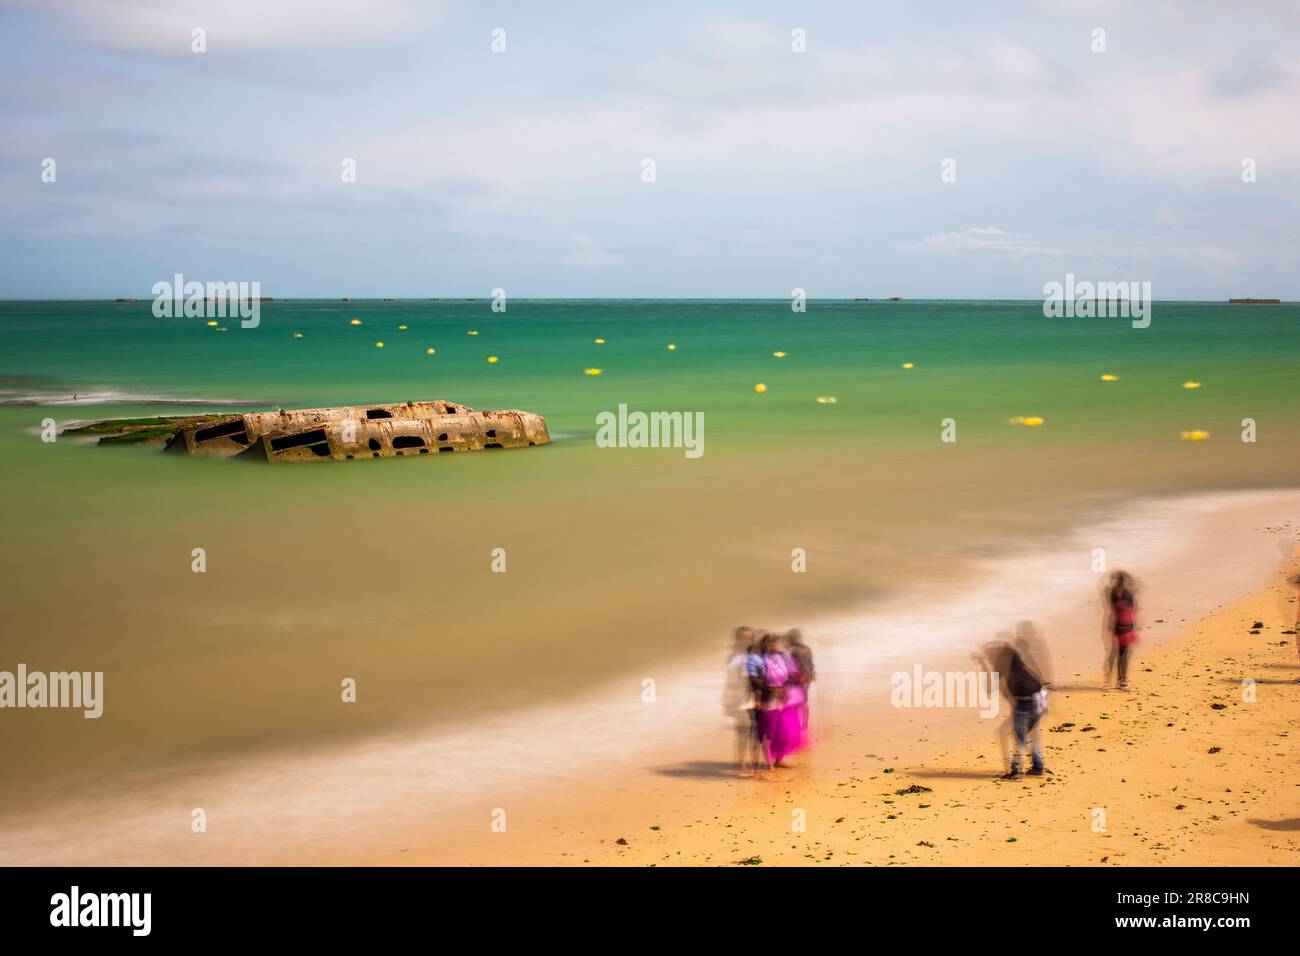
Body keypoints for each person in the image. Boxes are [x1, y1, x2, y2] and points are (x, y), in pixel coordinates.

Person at [996, 641, 1048, 778]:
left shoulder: (1009, 674)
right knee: (1030, 734)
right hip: (1041, 700)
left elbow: (1001, 690)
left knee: (1014, 736)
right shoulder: (1023, 670)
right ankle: (1038, 767)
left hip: (1026, 704)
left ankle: (1017, 771)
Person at [756, 633, 805, 769]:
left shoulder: (782, 658)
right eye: (769, 643)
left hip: (784, 697)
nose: (772, 646)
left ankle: (779, 759)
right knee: (769, 731)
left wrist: (786, 687)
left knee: (784, 731)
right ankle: (769, 763)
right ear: (764, 645)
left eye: (775, 643)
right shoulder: (760, 660)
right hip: (768, 698)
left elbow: (791, 675)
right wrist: (770, 691)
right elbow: (756, 681)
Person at [723, 627, 764, 776]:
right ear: (738, 639)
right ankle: (741, 765)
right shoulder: (735, 657)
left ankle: (754, 765)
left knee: (755, 732)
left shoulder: (753, 655)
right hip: (739, 698)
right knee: (742, 732)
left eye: (750, 638)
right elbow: (735, 677)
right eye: (744, 638)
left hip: (753, 697)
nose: (748, 641)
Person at [1104, 570, 1139, 690]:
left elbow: (1112, 606)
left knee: (1113, 652)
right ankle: (1122, 682)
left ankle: (1107, 682)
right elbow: (1133, 608)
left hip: (1115, 624)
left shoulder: (1112, 593)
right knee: (1124, 654)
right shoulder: (1128, 594)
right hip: (1126, 624)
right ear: (1125, 582)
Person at [785, 628, 815, 730]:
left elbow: (794, 666)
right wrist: (811, 675)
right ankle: (805, 723)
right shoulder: (807, 648)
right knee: (804, 701)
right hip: (807, 677)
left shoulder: (794, 651)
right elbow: (811, 664)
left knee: (796, 701)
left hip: (798, 678)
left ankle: (797, 723)